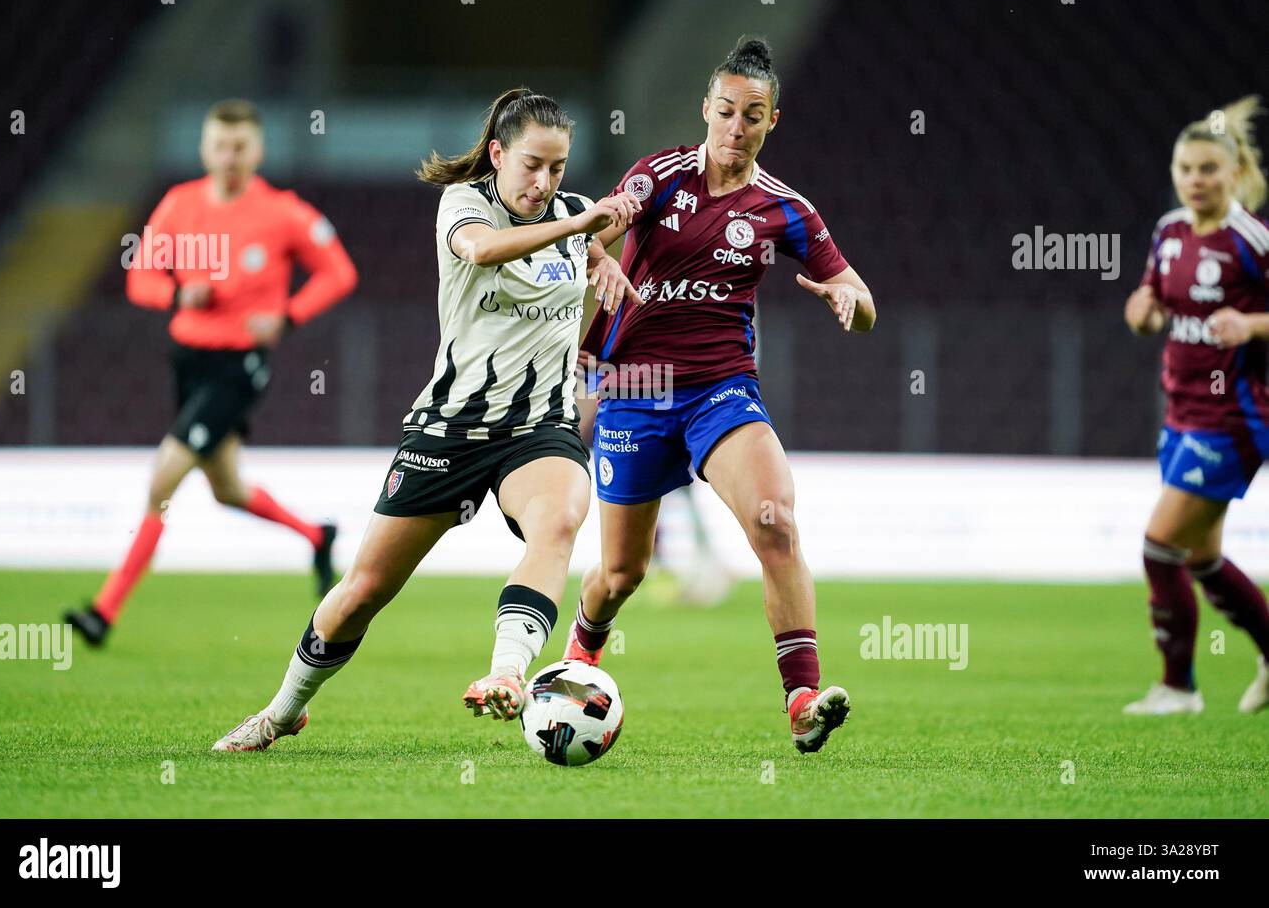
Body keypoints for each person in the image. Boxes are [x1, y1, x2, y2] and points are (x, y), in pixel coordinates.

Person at [211, 88, 642, 751]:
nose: (544, 181)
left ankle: (506, 674)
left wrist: (601, 257)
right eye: (532, 164)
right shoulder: (465, 206)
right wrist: (585, 236)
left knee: (558, 521)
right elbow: (482, 252)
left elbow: (595, 244)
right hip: (448, 430)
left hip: (539, 429)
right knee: (363, 591)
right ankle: (283, 709)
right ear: (498, 153)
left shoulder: (577, 218)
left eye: (557, 168)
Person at [564, 37, 876, 754]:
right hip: (633, 393)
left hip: (721, 392)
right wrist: (597, 249)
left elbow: (862, 300)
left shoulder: (785, 209)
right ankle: (580, 659)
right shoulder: (661, 176)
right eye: (727, 111)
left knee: (776, 522)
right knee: (620, 574)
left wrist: (848, 303)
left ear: (773, 123)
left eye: (754, 116)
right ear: (706, 108)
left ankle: (801, 699)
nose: (737, 127)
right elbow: (608, 214)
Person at [64, 99, 358, 646]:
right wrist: (179, 292)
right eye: (220, 145)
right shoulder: (179, 205)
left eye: (240, 146)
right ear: (204, 148)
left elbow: (339, 272)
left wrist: (288, 316)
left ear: (258, 150)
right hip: (189, 361)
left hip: (239, 365)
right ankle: (317, 536)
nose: (229, 156)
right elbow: (140, 280)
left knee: (163, 480)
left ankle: (104, 612)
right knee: (226, 488)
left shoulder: (283, 212)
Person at [1123, 95, 1269, 715]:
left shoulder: (1251, 241)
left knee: (1160, 546)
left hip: (1234, 417)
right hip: (1180, 412)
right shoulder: (1169, 231)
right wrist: (1142, 311)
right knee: (1202, 558)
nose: (1196, 180)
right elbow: (1149, 299)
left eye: (1208, 170)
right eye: (1186, 170)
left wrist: (1253, 325)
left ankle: (1178, 687)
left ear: (1234, 174)